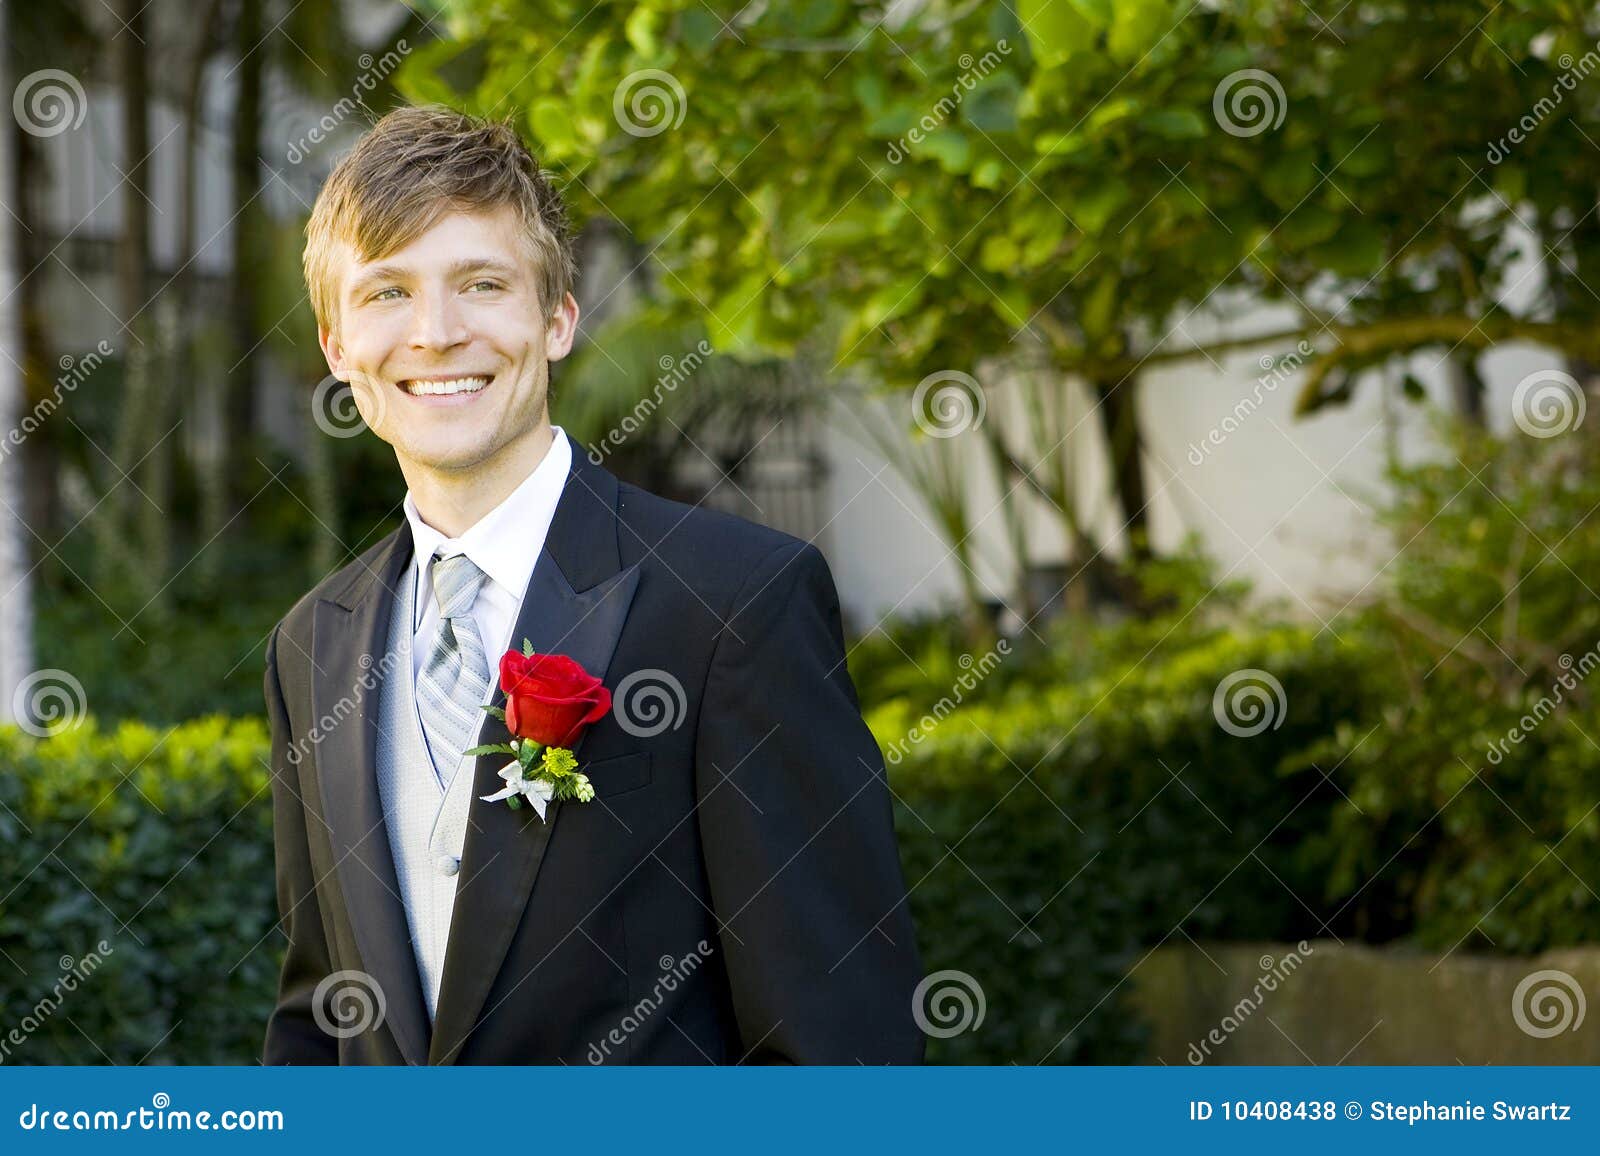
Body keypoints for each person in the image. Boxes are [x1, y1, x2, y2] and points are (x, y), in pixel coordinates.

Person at [261, 106, 924, 1064]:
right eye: (387, 293)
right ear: (336, 346)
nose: (436, 334)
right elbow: (320, 1014)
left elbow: (840, 1037)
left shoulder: (736, 604)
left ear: (558, 319)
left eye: (481, 284)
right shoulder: (309, 649)